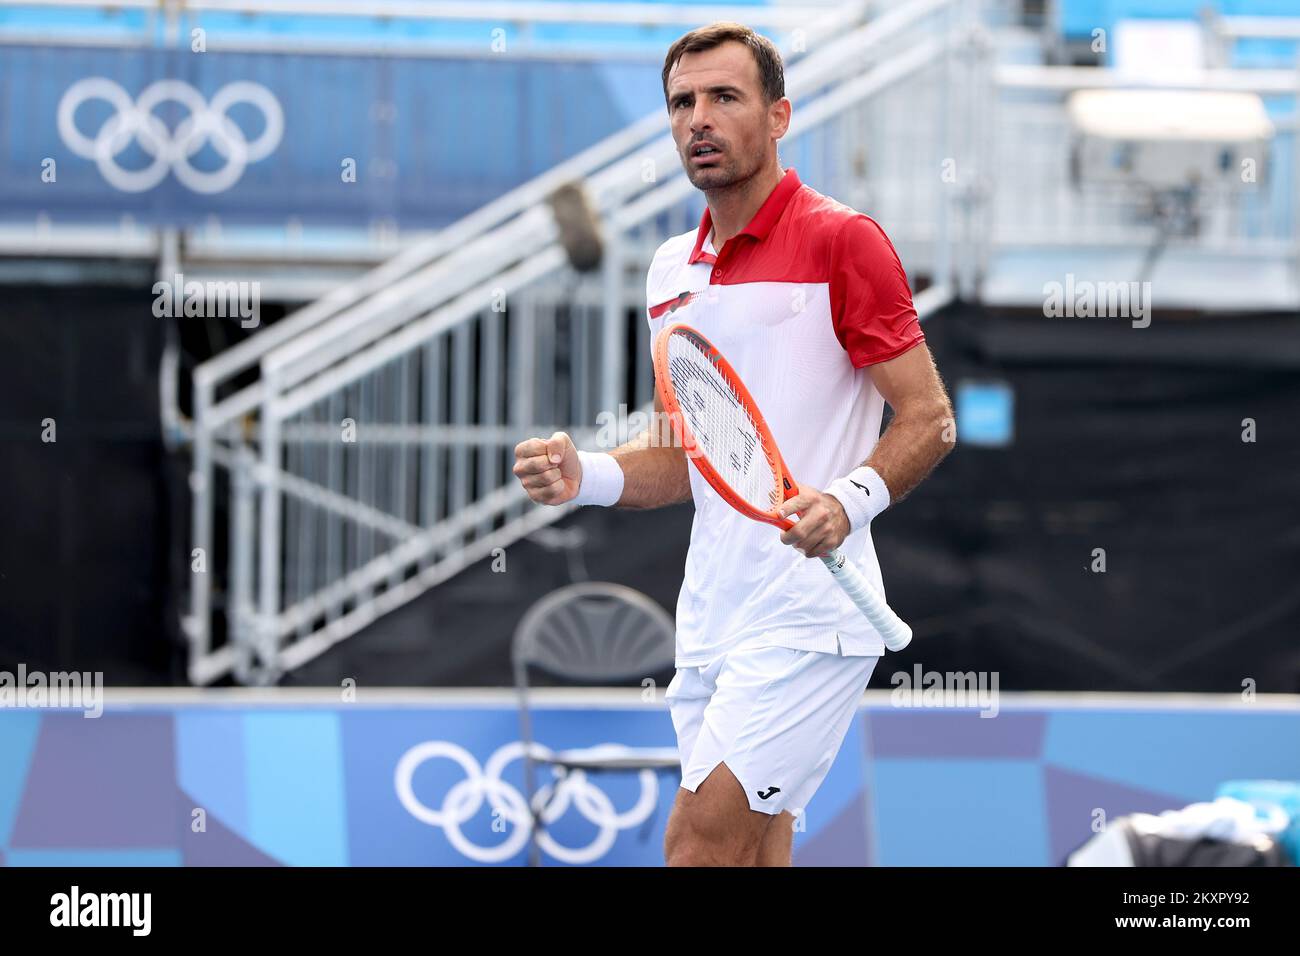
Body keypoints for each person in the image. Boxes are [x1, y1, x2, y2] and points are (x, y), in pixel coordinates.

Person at [513, 22, 954, 866]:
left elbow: (930, 415)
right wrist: (586, 475)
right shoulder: (669, 269)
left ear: (779, 115)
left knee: (697, 844)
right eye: (682, 103)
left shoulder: (843, 240)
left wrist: (846, 501)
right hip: (712, 614)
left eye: (724, 98)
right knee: (755, 852)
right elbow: (686, 454)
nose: (698, 120)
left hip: (811, 617)